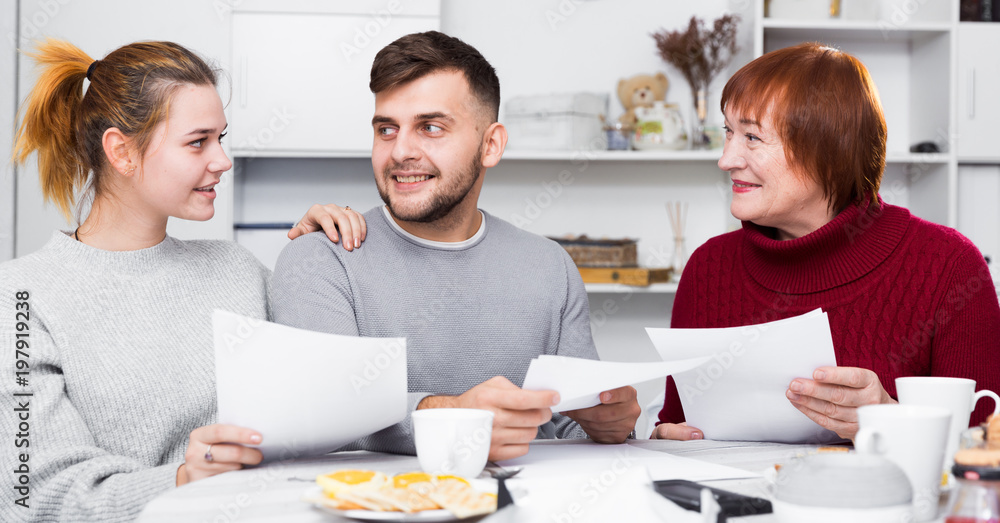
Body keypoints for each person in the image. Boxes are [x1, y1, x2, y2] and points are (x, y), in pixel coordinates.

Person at [0, 38, 365, 521]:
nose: (222, 160)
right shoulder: (19, 298)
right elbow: (34, 495)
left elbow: (333, 397)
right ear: (121, 151)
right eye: (198, 141)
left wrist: (318, 256)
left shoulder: (236, 270)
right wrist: (182, 481)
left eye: (221, 138)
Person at [270, 31, 641, 461]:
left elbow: (569, 423)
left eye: (430, 127)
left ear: (491, 145)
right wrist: (452, 418)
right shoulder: (321, 259)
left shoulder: (550, 267)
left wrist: (610, 424)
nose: (400, 151)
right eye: (386, 129)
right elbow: (322, 413)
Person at [651, 42, 1000, 442]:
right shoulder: (708, 268)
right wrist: (664, 441)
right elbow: (675, 424)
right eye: (728, 133)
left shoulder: (950, 266)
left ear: (830, 149)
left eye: (752, 137)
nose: (726, 159)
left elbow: (986, 451)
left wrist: (890, 419)